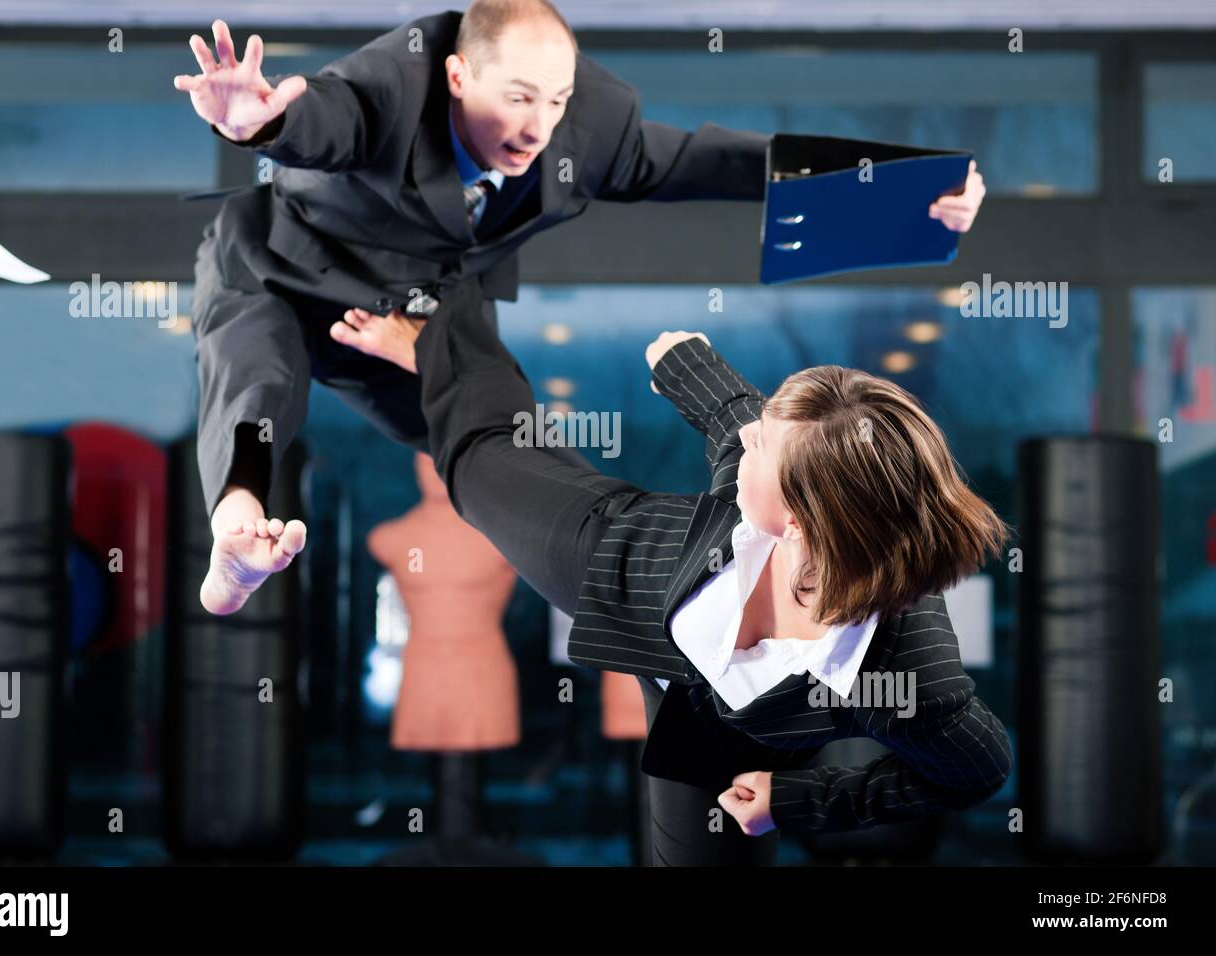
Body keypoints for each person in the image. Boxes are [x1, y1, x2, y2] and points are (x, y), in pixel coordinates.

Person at [173, 2, 988, 616]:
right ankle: (239, 535)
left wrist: (907, 194)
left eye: (555, 101)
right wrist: (264, 121)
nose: (537, 129)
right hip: (282, 266)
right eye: (517, 99)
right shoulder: (395, 83)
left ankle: (624, 579)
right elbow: (327, 116)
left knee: (493, 431)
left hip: (423, 304)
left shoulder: (585, 133)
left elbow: (713, 162)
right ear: (458, 77)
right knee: (259, 367)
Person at [338, 277, 1014, 865]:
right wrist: (683, 360)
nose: (754, 435)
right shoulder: (765, 498)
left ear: (801, 521)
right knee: (483, 459)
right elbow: (735, 419)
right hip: (629, 567)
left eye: (766, 446)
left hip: (720, 742)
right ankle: (437, 345)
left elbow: (975, 774)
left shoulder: (913, 675)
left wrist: (800, 799)